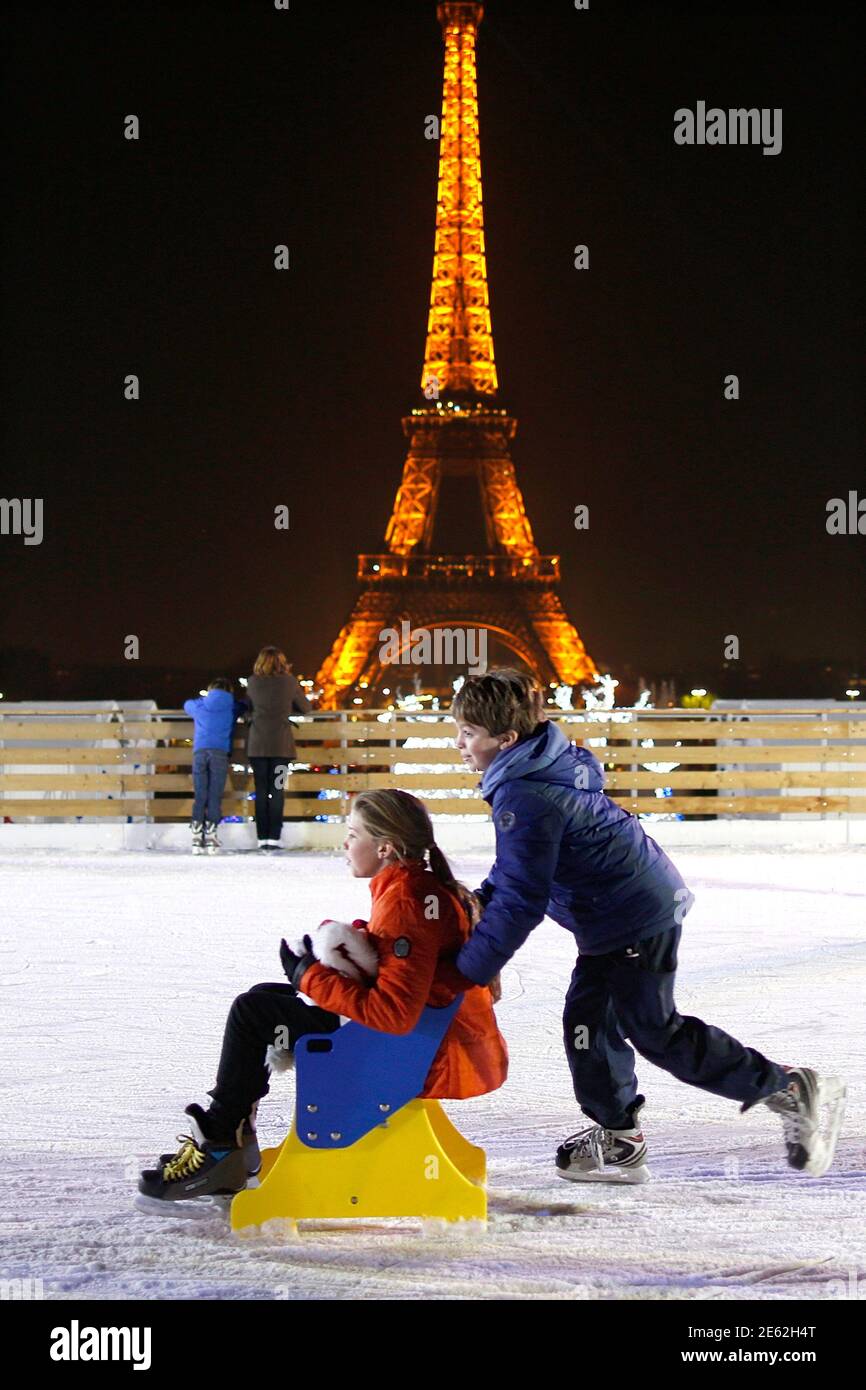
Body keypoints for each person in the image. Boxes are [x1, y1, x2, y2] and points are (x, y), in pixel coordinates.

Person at [443, 668, 846, 1185]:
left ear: (506, 739)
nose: (459, 744)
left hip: (631, 916)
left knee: (653, 1030)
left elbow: (524, 898)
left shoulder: (527, 793)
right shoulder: (532, 774)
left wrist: (468, 970)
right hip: (613, 917)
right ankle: (619, 1138)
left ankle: (787, 1087)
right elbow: (520, 870)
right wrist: (482, 899)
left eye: (468, 733)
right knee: (588, 1026)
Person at [137, 789, 508, 1204]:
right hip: (431, 1039)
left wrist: (309, 977)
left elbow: (394, 1015)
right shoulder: (417, 888)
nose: (345, 844)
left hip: (418, 1052)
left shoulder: (408, 900)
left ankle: (222, 1144)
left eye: (353, 834)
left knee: (253, 1013)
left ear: (385, 846)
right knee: (263, 998)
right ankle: (232, 1137)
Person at [245, 645, 312, 850]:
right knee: (277, 790)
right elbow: (307, 709)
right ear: (282, 663)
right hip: (282, 748)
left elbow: (248, 708)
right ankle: (274, 837)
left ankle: (261, 837)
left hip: (257, 747)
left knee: (261, 790)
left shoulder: (252, 682)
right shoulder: (289, 682)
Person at [183, 678, 247, 854]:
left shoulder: (200, 705)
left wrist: (202, 699)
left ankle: (196, 834)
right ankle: (211, 835)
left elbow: (187, 705)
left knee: (200, 792)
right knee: (215, 794)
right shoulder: (232, 706)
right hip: (220, 752)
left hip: (200, 752)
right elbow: (243, 706)